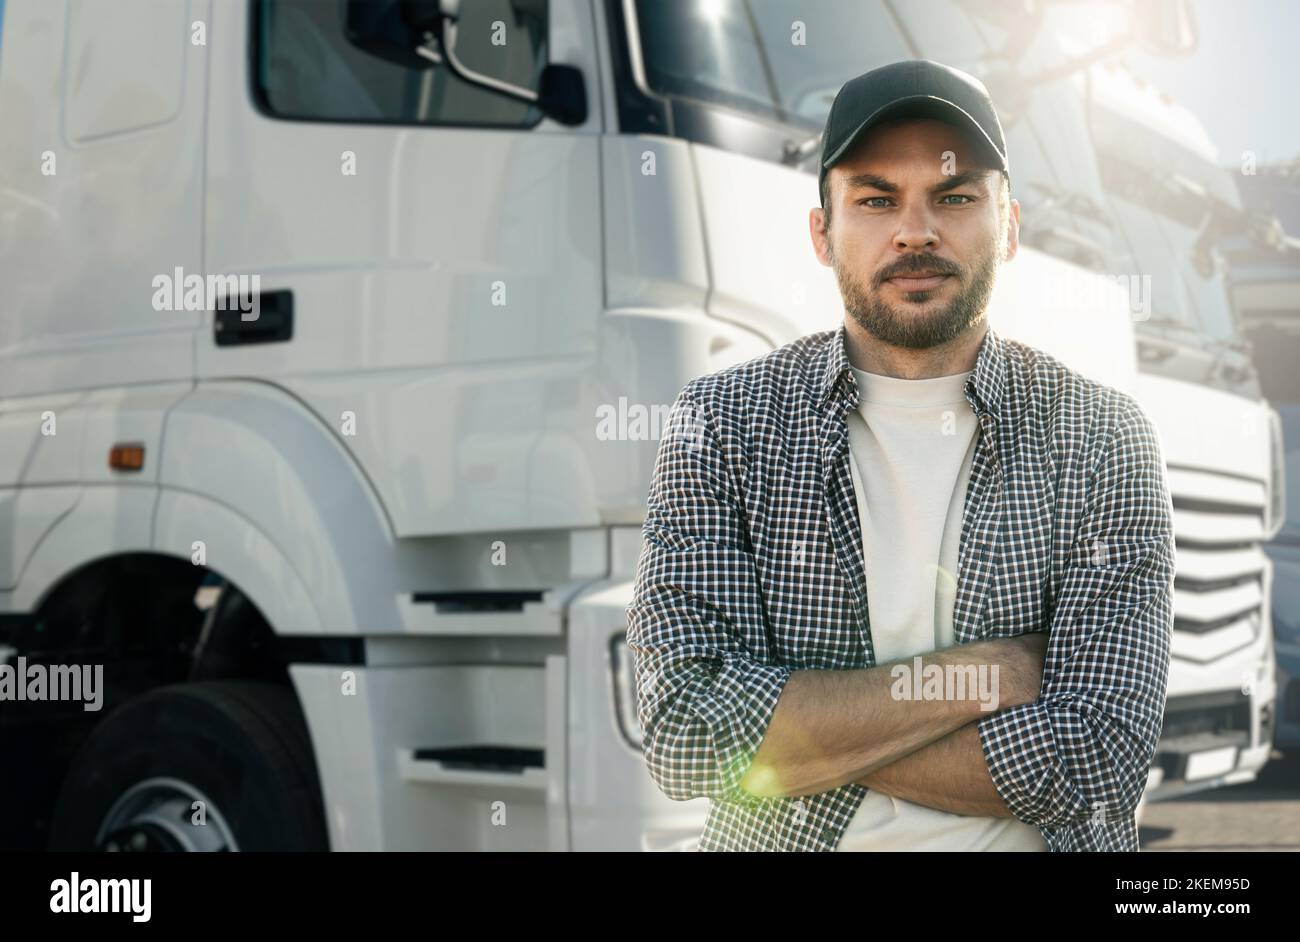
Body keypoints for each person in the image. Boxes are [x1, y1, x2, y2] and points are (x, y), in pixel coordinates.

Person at [625, 59, 1175, 852]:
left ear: (1010, 226)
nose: (915, 231)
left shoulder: (1102, 435)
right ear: (824, 232)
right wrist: (984, 676)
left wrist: (807, 732)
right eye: (877, 199)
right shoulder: (721, 423)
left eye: (954, 197)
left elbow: (1099, 759)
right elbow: (684, 733)